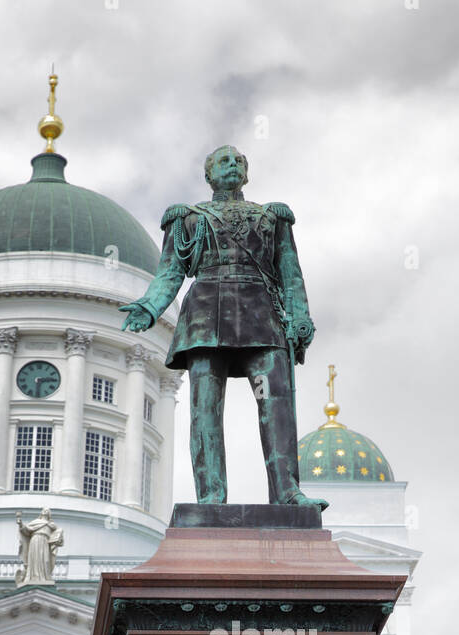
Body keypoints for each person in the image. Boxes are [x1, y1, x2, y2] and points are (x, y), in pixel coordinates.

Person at [119, 145, 323, 510]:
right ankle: (211, 497)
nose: (232, 165)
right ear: (209, 175)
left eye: (238, 161)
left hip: (262, 318)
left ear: (246, 173)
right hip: (205, 318)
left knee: (275, 404)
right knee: (205, 410)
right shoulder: (188, 219)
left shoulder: (272, 218)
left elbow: (290, 275)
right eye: (223, 161)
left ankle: (287, 493)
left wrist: (300, 317)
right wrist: (150, 307)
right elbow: (170, 272)